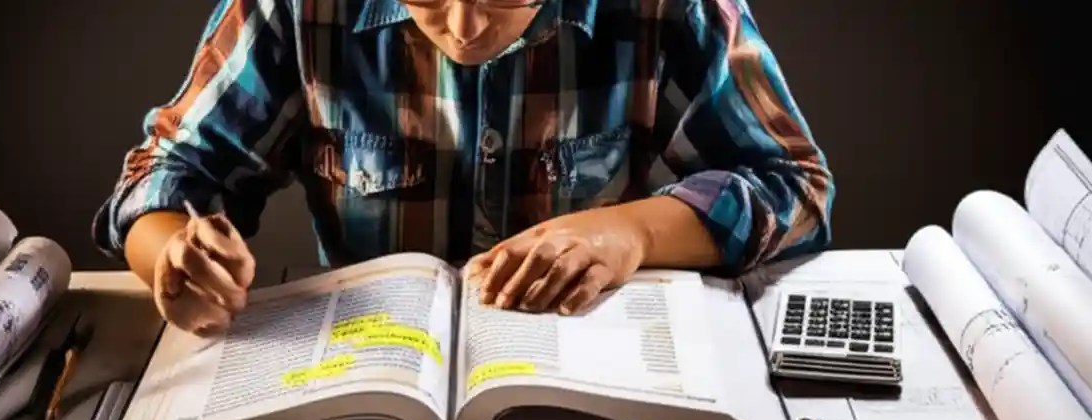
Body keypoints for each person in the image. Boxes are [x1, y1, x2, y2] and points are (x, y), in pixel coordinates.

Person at [93, 0, 833, 335]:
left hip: (595, 375)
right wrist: (171, 256)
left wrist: (631, 232)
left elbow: (794, 182)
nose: (466, 26)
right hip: (369, 387)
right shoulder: (293, 7)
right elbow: (170, 171)